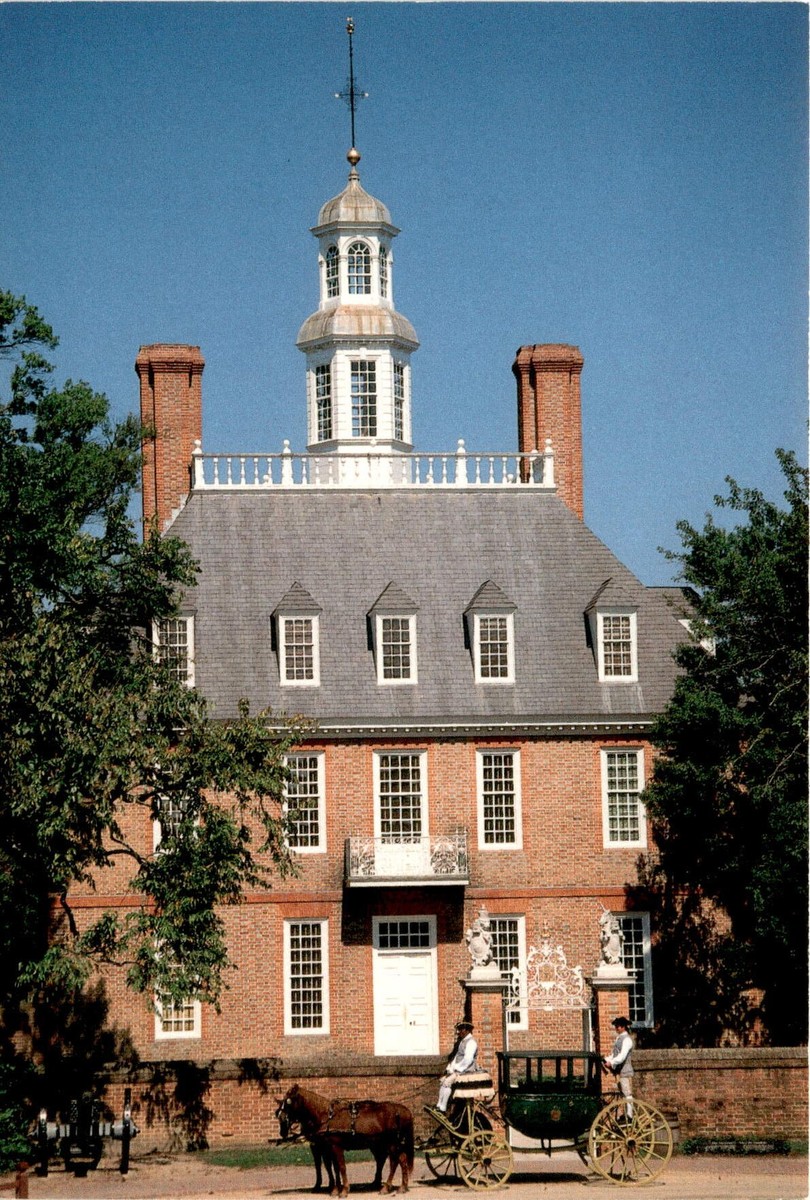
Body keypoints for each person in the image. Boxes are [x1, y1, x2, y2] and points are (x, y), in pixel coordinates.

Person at [434, 1021, 479, 1113]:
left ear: (467, 1030)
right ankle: (439, 1105)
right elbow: (457, 1057)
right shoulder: (462, 1042)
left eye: (460, 1029)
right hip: (458, 1069)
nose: (458, 1032)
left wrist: (457, 1068)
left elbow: (468, 1059)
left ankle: (443, 1108)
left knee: (447, 1082)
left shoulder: (471, 1043)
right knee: (443, 1081)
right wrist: (450, 1068)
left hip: (466, 1070)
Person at [603, 1016, 634, 1120]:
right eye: (616, 1026)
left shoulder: (627, 1040)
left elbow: (622, 1056)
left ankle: (630, 1115)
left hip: (625, 1070)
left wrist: (611, 1062)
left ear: (623, 1027)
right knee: (622, 1093)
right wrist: (606, 1059)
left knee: (627, 1093)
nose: (616, 1028)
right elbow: (615, 1054)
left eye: (618, 1026)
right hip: (619, 1071)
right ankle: (626, 1114)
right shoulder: (619, 1038)